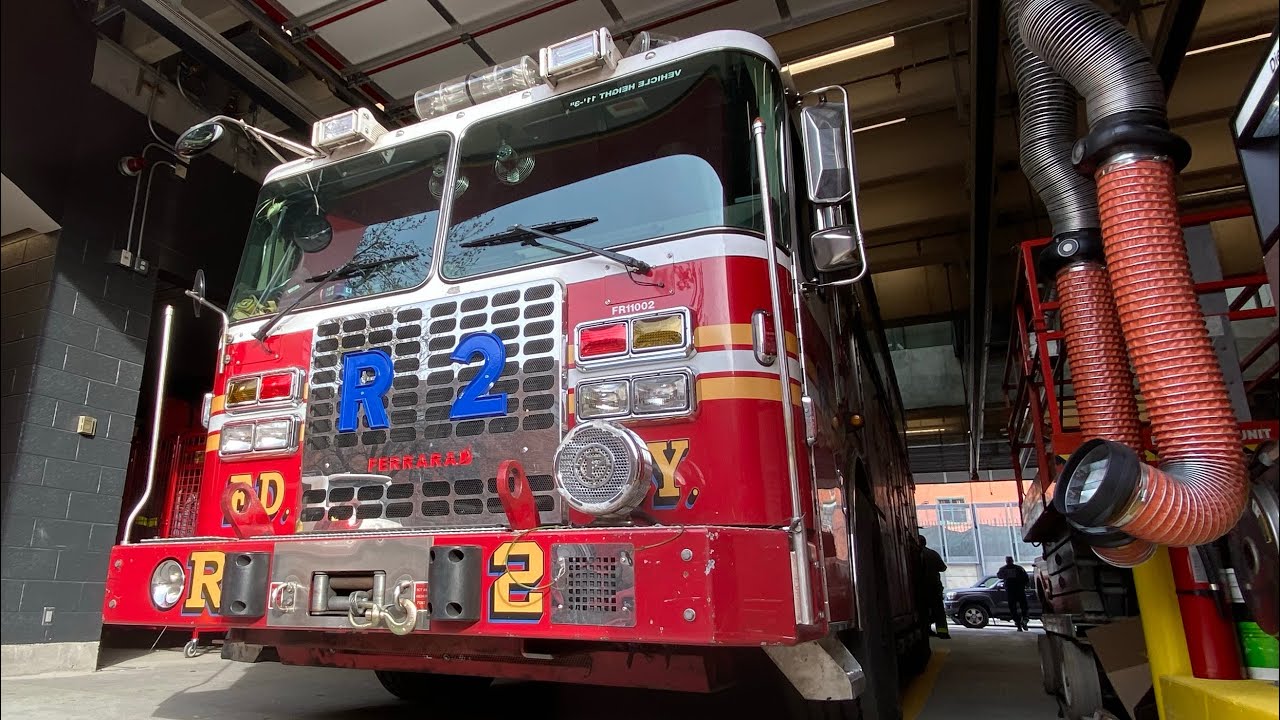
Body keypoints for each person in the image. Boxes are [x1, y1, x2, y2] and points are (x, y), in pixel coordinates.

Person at [916, 534, 949, 639]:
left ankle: (927, 630)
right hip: (934, 586)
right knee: (939, 610)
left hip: (920, 588)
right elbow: (943, 568)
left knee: (924, 610)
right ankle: (942, 632)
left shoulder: (915, 554)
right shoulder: (932, 554)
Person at [997, 555, 1031, 631]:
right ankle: (1024, 620)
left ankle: (1019, 624)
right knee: (1024, 607)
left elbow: (999, 576)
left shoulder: (1003, 569)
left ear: (1006, 561)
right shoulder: (1019, 568)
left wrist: (1004, 575)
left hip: (1010, 591)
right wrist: (1026, 585)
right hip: (1020, 590)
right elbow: (1026, 578)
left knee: (1013, 608)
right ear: (1013, 560)